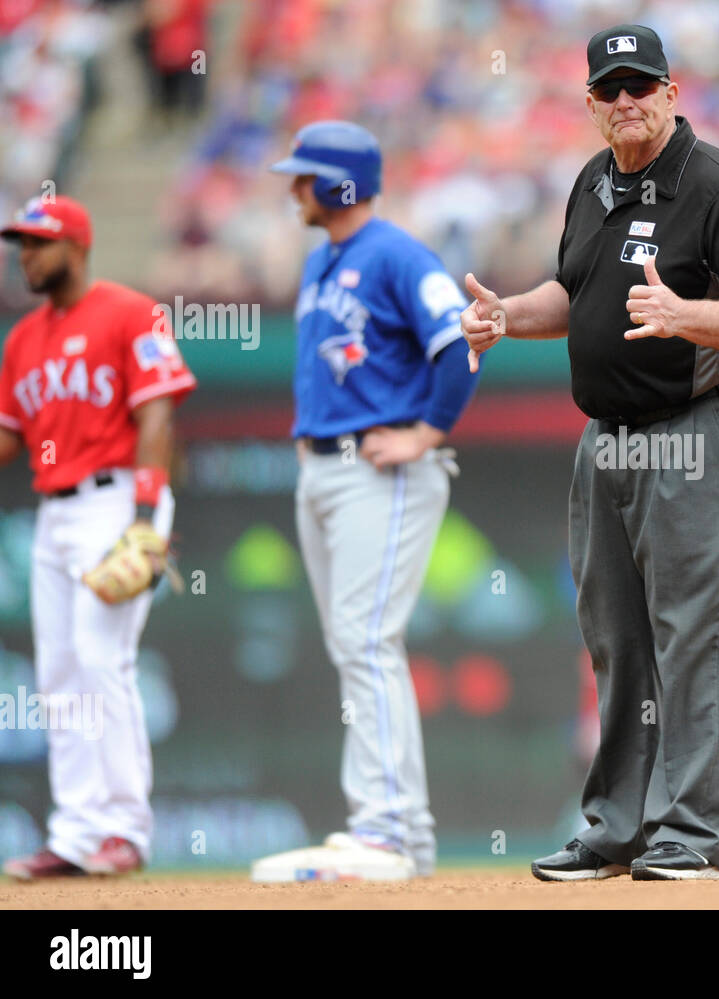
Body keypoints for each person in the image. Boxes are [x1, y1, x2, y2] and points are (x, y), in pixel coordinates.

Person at [462, 24, 719, 881]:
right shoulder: (592, 183)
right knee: (616, 639)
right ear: (591, 104)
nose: (626, 101)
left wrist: (690, 316)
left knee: (697, 636)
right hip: (605, 439)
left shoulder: (713, 183)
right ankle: (615, 829)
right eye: (610, 88)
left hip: (698, 425)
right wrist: (505, 315)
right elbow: (572, 296)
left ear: (672, 92)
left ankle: (692, 835)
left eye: (641, 84)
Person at [250, 121, 478, 881]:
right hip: (324, 467)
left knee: (366, 638)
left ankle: (387, 827)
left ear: (340, 183)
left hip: (381, 468)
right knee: (356, 642)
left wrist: (427, 431)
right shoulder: (324, 260)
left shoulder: (397, 254)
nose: (293, 188)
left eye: (305, 176)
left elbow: (458, 343)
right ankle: (394, 830)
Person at [0, 195, 196, 879]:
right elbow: (9, 438)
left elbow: (156, 416)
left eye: (37, 243)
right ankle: (78, 832)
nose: (25, 255)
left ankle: (124, 827)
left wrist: (145, 520)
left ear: (76, 246)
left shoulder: (130, 312)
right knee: (57, 675)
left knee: (99, 655)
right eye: (20, 244)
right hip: (53, 512)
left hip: (118, 500)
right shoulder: (22, 339)